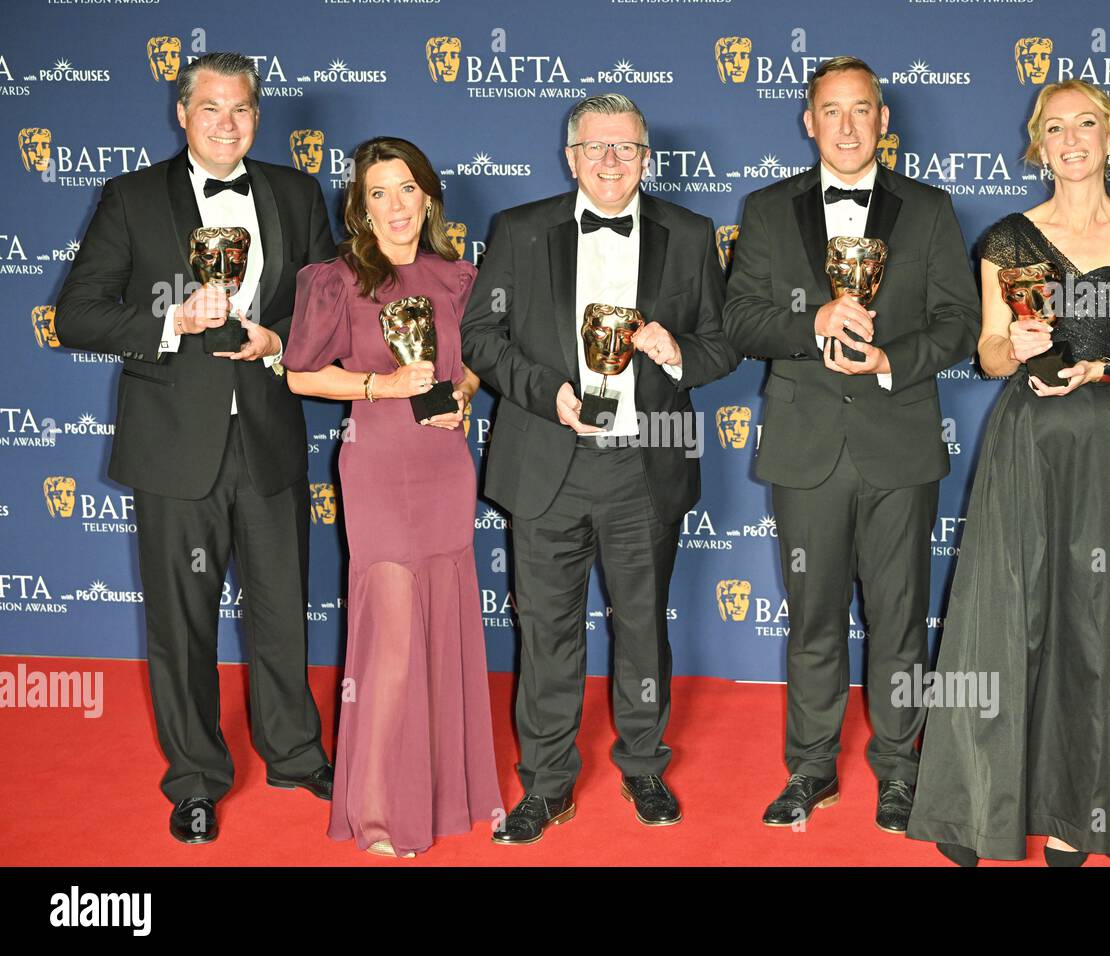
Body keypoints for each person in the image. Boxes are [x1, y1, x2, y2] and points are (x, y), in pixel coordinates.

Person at [905, 79, 1110, 866]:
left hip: (1109, 439)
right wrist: (1015, 346)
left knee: (1094, 619)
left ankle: (1078, 811)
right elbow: (988, 352)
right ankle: (976, 805)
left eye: (1085, 124)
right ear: (1038, 145)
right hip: (1028, 439)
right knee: (1000, 613)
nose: (1070, 139)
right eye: (1054, 127)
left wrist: (1103, 369)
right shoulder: (1008, 239)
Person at [54, 52, 335, 844]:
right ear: (182, 114)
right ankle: (196, 779)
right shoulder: (133, 197)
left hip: (270, 435)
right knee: (182, 625)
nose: (226, 123)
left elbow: (326, 307)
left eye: (240, 108)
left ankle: (295, 753)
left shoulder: (297, 192)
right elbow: (77, 314)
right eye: (210, 107)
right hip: (174, 445)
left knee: (282, 610)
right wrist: (170, 322)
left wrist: (281, 342)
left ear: (258, 116)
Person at [460, 93, 738, 844]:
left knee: (642, 626)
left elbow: (723, 344)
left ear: (647, 158)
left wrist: (677, 353)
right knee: (547, 632)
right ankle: (546, 783)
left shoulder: (690, 233)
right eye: (595, 147)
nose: (611, 161)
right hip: (547, 462)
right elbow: (480, 336)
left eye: (626, 148)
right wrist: (543, 393)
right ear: (570, 156)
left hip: (644, 465)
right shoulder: (519, 230)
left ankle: (644, 763)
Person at [722, 56, 980, 832]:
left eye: (860, 109)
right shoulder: (767, 209)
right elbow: (740, 321)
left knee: (900, 619)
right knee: (813, 620)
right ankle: (811, 768)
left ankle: (900, 770)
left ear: (883, 120)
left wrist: (889, 359)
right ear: (808, 121)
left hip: (899, 443)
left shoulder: (929, 209)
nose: (845, 125)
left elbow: (959, 324)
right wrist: (814, 323)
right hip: (806, 448)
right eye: (830, 110)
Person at [282, 137, 502, 858]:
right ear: (361, 207)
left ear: (428, 196)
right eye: (379, 193)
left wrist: (463, 396)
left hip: (444, 465)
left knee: (442, 624)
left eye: (407, 188)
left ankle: (438, 794)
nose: (396, 205)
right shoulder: (336, 280)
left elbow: (472, 362)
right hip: (378, 465)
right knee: (393, 639)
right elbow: (301, 374)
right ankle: (379, 809)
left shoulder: (459, 277)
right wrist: (381, 385)